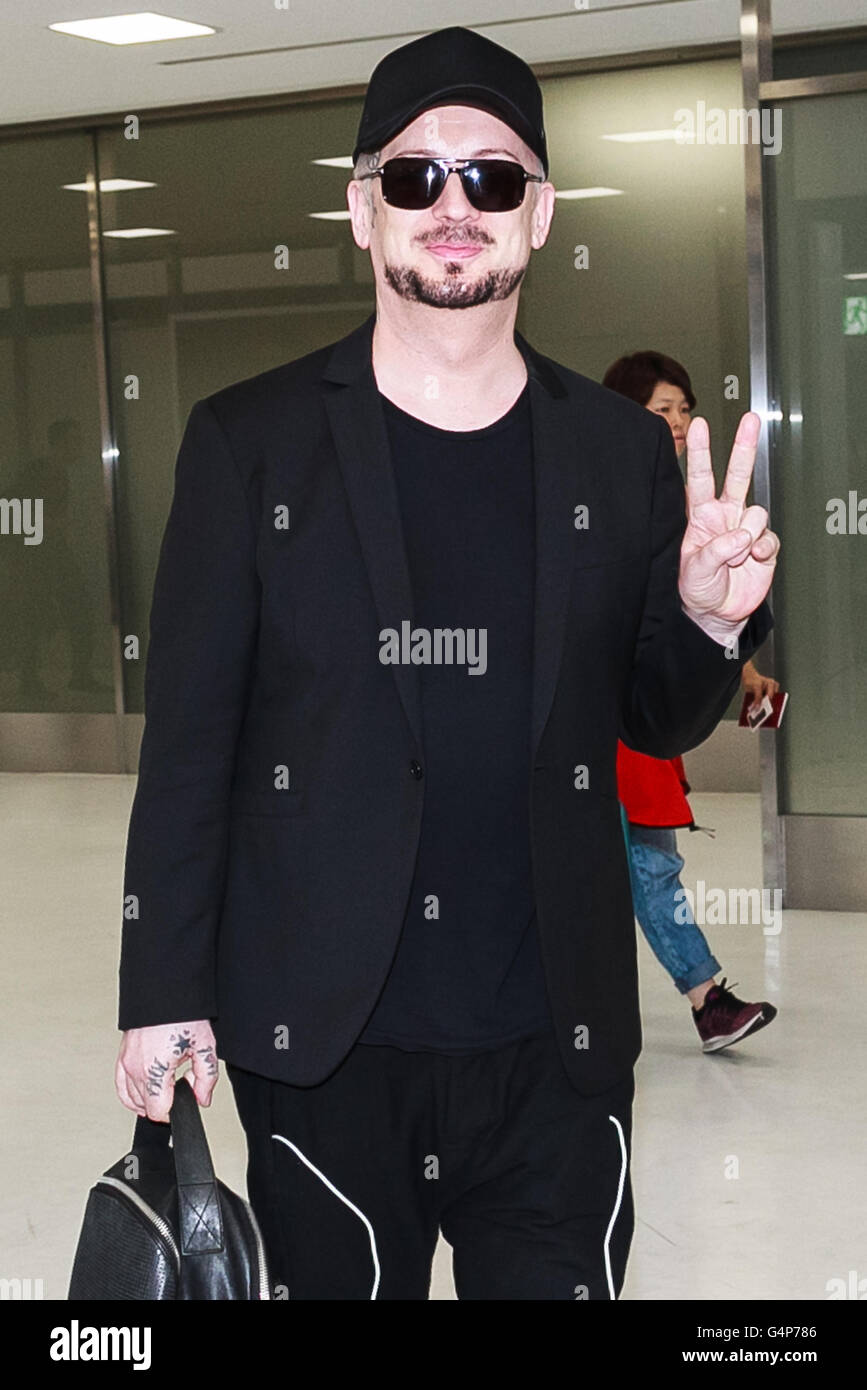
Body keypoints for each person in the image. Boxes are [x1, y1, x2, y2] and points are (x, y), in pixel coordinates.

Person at [115, 27, 778, 1300]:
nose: (453, 205)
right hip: (325, 1050)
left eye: (493, 177)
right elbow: (189, 747)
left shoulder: (616, 457)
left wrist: (704, 618)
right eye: (414, 178)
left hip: (556, 1047)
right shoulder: (248, 448)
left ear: (540, 218)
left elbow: (657, 713)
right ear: (364, 213)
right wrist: (161, 991)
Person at [603, 352, 778, 1052]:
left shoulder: (693, 505)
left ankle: (703, 997)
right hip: (602, 723)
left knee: (647, 862)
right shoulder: (607, 503)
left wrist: (739, 661)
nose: (676, 422)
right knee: (642, 865)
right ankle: (702, 997)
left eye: (682, 408)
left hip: (644, 724)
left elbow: (694, 611)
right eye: (660, 410)